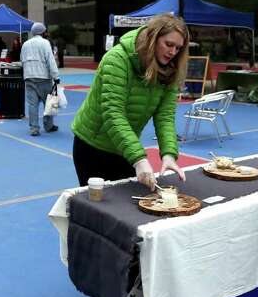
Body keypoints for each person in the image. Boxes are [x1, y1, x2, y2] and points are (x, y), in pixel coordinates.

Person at [71, 14, 189, 189]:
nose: (173, 52)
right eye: (168, 44)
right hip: (93, 146)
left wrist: (169, 154)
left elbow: (165, 116)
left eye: (178, 48)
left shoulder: (170, 70)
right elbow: (113, 113)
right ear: (152, 38)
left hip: (125, 146)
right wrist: (139, 159)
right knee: (98, 205)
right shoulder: (117, 59)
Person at [21, 22, 60, 136]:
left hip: (29, 77)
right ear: (43, 32)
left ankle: (34, 128)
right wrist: (56, 76)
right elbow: (50, 61)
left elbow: (22, 60)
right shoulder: (45, 43)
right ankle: (48, 126)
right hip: (44, 78)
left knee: (32, 105)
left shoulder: (25, 44)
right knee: (49, 102)